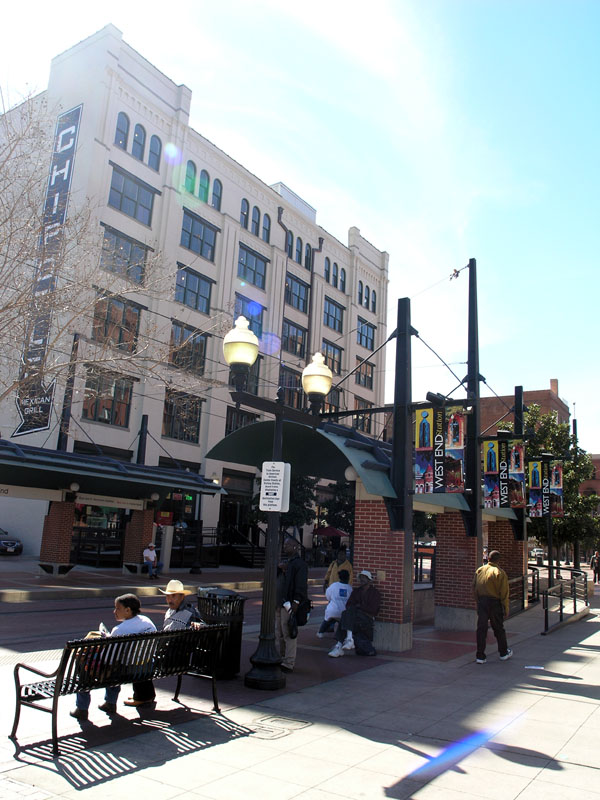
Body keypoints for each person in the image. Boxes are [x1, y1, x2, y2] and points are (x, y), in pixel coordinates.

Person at [70, 593, 156, 720]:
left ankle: (82, 708)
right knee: (114, 667)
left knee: (84, 667)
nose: (114, 611)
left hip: (125, 672)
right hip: (146, 668)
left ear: (128, 610)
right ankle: (109, 703)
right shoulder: (147, 621)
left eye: (117, 608)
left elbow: (108, 659)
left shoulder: (119, 630)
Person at [127, 579, 205, 706]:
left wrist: (199, 624)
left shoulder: (189, 612)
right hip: (167, 655)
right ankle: (145, 695)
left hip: (174, 659)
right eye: (168, 596)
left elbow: (203, 624)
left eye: (173, 596)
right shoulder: (171, 611)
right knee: (141, 654)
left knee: (138, 659)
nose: (170, 600)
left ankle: (143, 696)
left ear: (182, 596)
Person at [328, 570, 381, 657]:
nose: (362, 580)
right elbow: (349, 604)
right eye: (361, 578)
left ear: (369, 580)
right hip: (355, 617)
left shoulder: (374, 593)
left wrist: (359, 607)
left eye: (364, 578)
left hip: (367, 618)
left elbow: (373, 610)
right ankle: (347, 641)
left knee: (346, 615)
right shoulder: (356, 591)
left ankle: (340, 645)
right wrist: (357, 607)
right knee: (347, 613)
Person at [472, 549, 513, 664]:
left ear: (488, 559)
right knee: (498, 628)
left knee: (481, 629)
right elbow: (504, 593)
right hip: (495, 603)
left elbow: (474, 587)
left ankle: (480, 655)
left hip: (482, 602)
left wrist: (478, 602)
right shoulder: (499, 573)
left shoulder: (480, 570)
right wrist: (506, 608)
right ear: (498, 560)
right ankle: (503, 652)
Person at [276, 538, 308, 673]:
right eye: (284, 544)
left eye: (288, 545)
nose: (285, 547)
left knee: (289, 632)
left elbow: (300, 584)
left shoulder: (299, 564)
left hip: (288, 603)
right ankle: (282, 657)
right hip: (279, 602)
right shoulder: (287, 563)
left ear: (295, 547)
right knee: (280, 633)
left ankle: (289, 662)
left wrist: (296, 601)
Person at [317, 568, 352, 637]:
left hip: (332, 611)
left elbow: (328, 596)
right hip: (343, 613)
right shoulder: (350, 588)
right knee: (343, 622)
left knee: (327, 620)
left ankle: (320, 633)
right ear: (348, 578)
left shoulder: (334, 585)